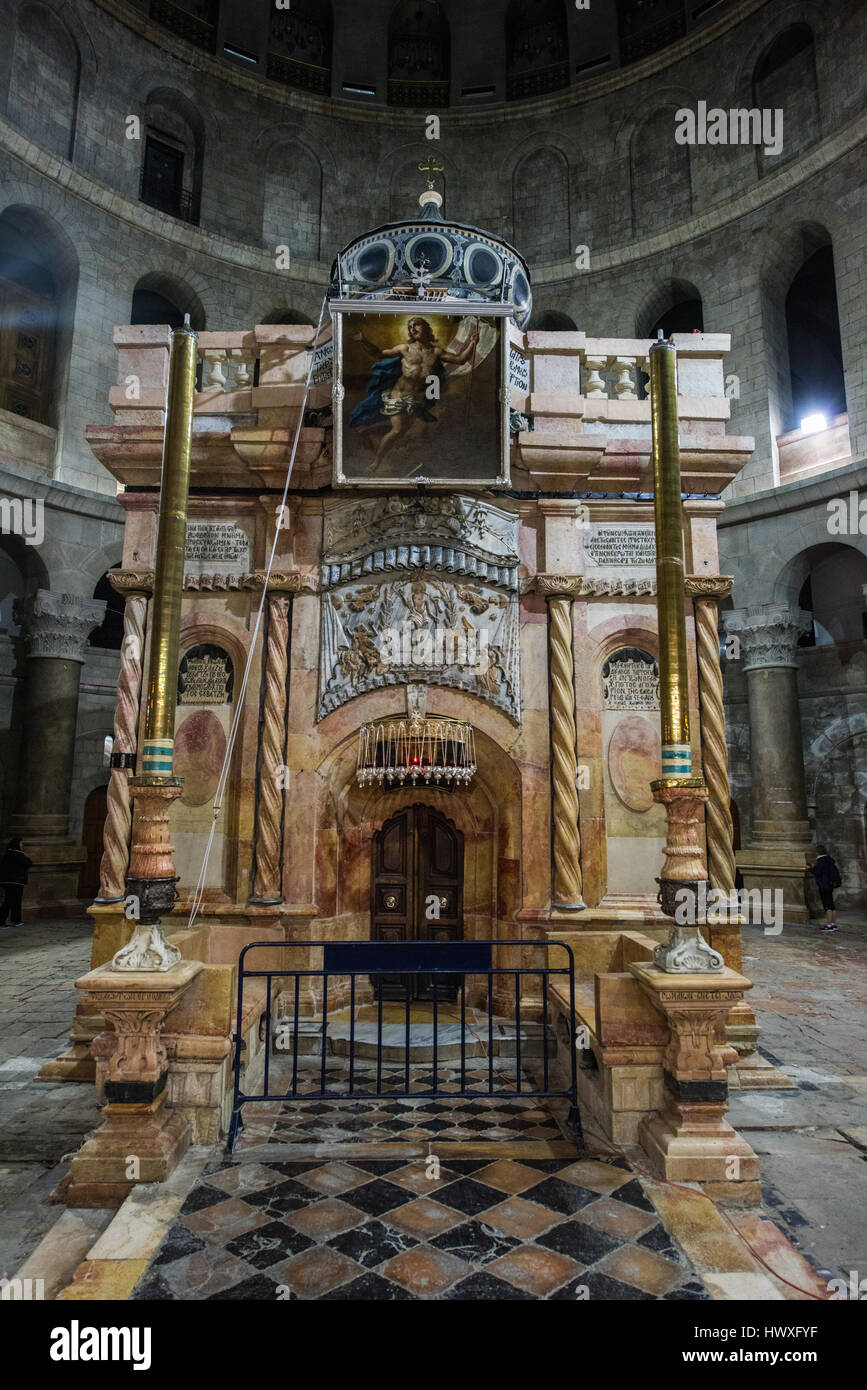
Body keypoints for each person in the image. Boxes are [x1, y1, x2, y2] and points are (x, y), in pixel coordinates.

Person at [349, 316, 480, 468]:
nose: (412, 328)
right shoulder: (404, 349)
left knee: (405, 430)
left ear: (426, 327)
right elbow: (378, 354)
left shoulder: (436, 352)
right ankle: (376, 462)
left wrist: (472, 343)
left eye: (416, 325)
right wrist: (363, 340)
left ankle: (367, 430)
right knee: (397, 430)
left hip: (416, 400)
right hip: (399, 395)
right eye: (410, 327)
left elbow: (460, 360)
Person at [0, 837, 32, 928]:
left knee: (9, 901)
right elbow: (28, 862)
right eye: (21, 844)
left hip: (6, 881)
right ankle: (9, 921)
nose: (22, 846)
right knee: (13, 901)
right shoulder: (17, 854)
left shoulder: (7, 853)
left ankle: (13, 920)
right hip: (16, 881)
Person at [810, 844, 841, 931]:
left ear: (817, 852)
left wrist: (811, 868)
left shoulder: (821, 861)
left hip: (824, 885)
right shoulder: (829, 860)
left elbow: (818, 872)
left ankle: (829, 924)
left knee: (827, 905)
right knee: (831, 905)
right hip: (830, 885)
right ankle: (833, 924)